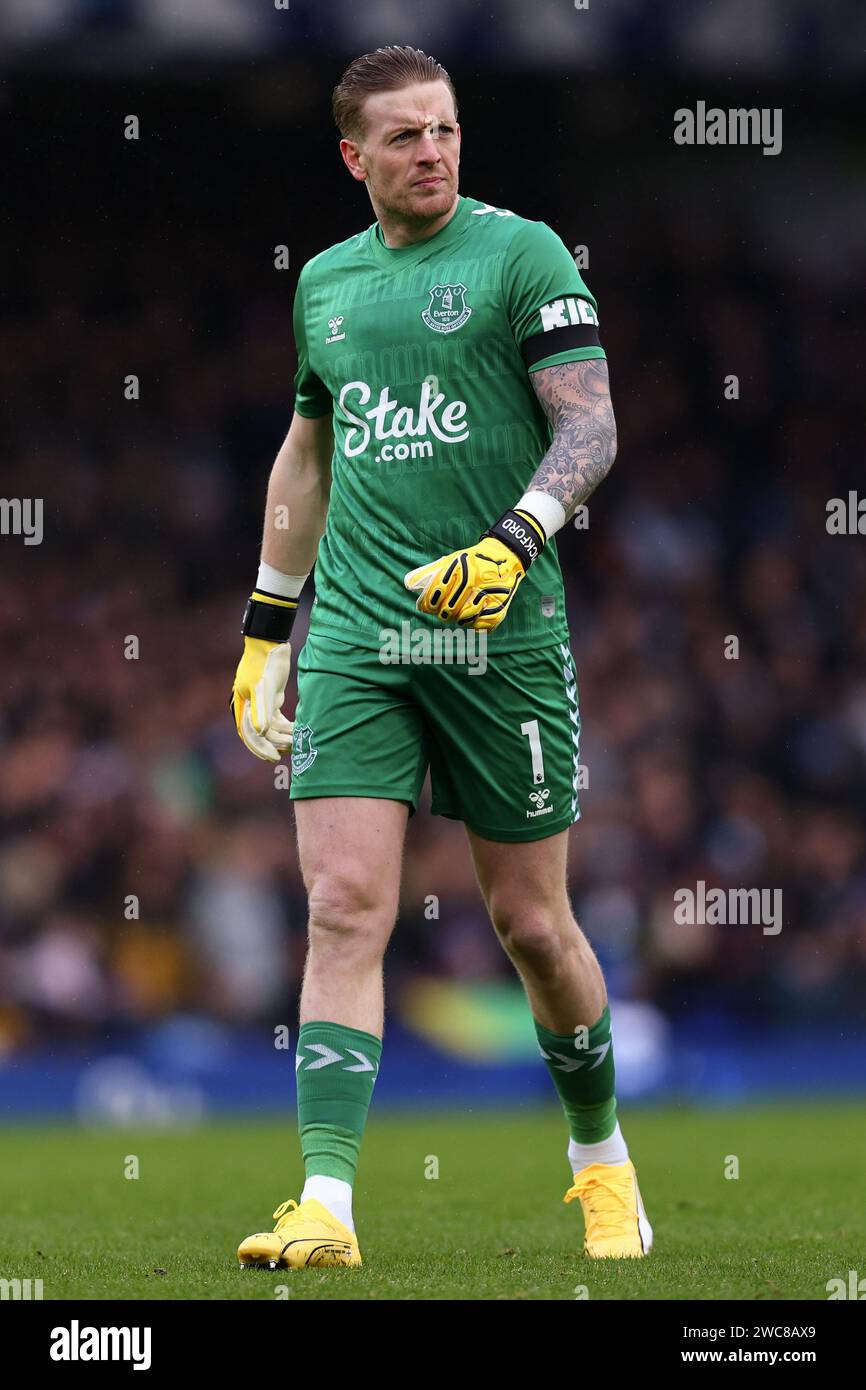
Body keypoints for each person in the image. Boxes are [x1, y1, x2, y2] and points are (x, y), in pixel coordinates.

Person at [231, 44, 652, 1270]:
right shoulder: (324, 285)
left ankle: (599, 1159)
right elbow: (307, 458)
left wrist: (514, 540)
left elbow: (590, 423)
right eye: (405, 136)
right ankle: (325, 1204)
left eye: (447, 129)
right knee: (343, 905)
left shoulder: (522, 253)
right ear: (354, 157)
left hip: (497, 636)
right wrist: (267, 632)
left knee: (530, 924)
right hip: (361, 635)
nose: (433, 151)